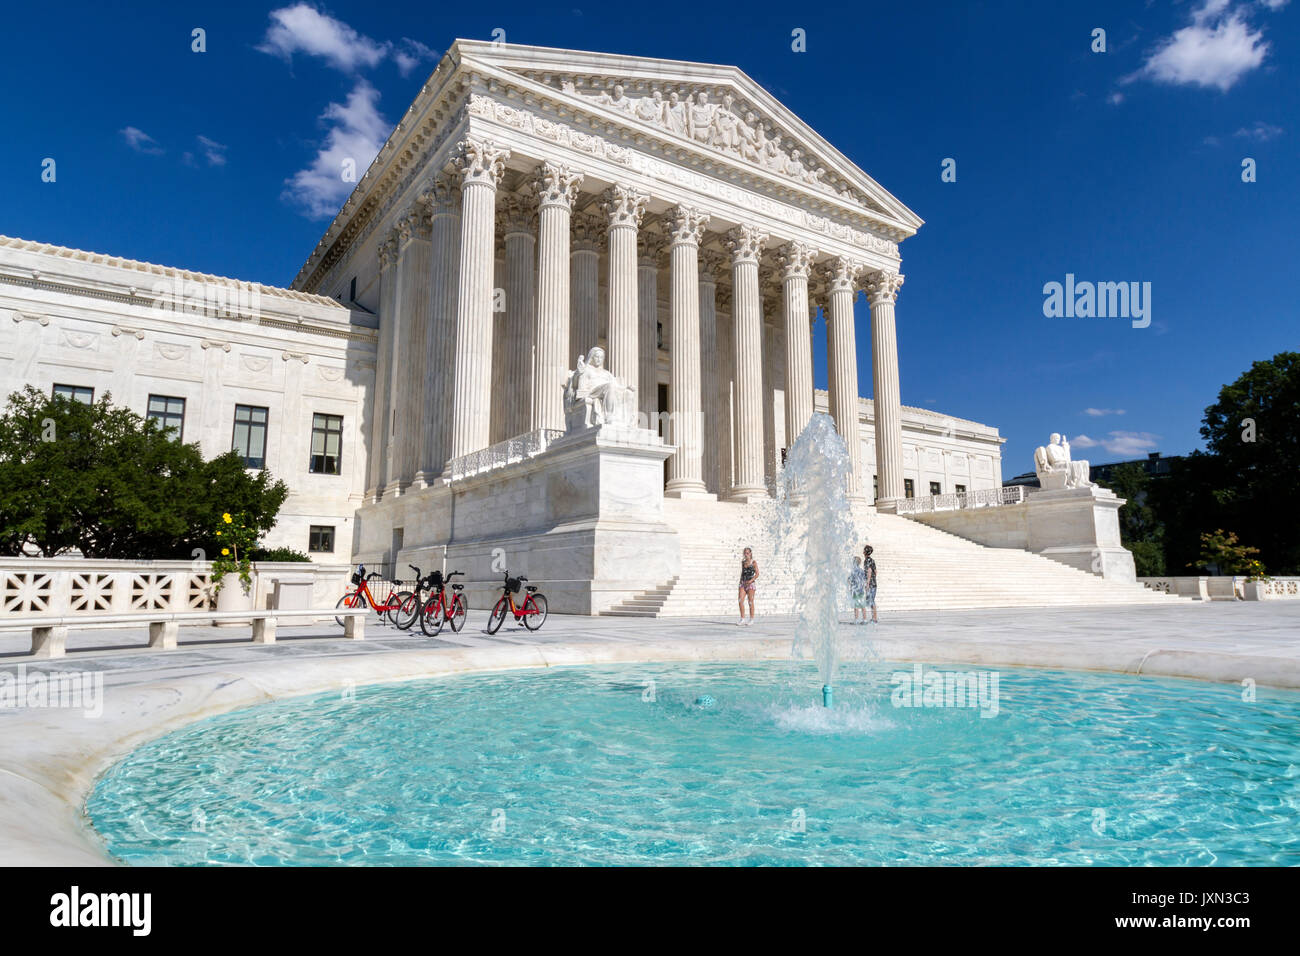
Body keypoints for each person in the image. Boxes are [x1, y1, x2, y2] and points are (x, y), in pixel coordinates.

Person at [738, 547, 758, 625]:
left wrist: (751, 581)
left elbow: (757, 574)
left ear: (750, 553)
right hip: (743, 583)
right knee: (740, 600)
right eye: (745, 553)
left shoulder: (754, 562)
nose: (746, 554)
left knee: (750, 601)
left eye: (747, 553)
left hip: (750, 584)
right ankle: (742, 618)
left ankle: (751, 619)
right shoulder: (743, 562)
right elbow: (742, 572)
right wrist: (740, 582)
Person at [849, 556, 869, 624]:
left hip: (855, 590)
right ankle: (865, 619)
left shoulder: (853, 570)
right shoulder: (861, 570)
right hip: (861, 590)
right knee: (862, 605)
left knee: (856, 606)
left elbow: (850, 580)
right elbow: (864, 580)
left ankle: (856, 619)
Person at [862, 545, 878, 624]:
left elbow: (869, 571)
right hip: (874, 583)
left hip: (870, 583)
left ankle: (874, 619)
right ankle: (874, 618)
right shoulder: (872, 560)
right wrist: (873, 579)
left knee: (871, 601)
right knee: (871, 601)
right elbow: (876, 572)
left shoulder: (866, 561)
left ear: (864, 552)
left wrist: (867, 583)